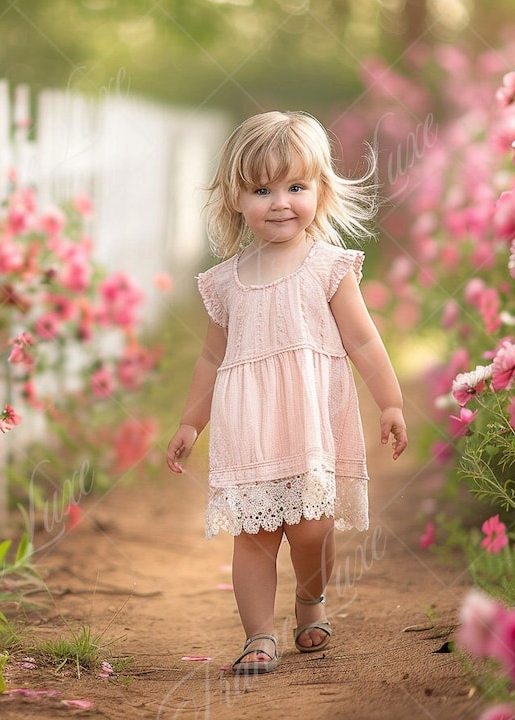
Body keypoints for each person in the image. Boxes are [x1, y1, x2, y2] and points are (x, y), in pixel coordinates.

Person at [165, 111, 408, 675]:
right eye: (262, 189)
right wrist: (189, 423)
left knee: (311, 528)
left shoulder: (327, 267)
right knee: (252, 536)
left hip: (310, 426)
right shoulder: (224, 281)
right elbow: (211, 357)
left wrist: (391, 401)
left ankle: (309, 597)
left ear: (319, 191)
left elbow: (364, 342)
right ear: (235, 199)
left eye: (296, 187)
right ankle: (258, 636)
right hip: (248, 427)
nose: (280, 202)